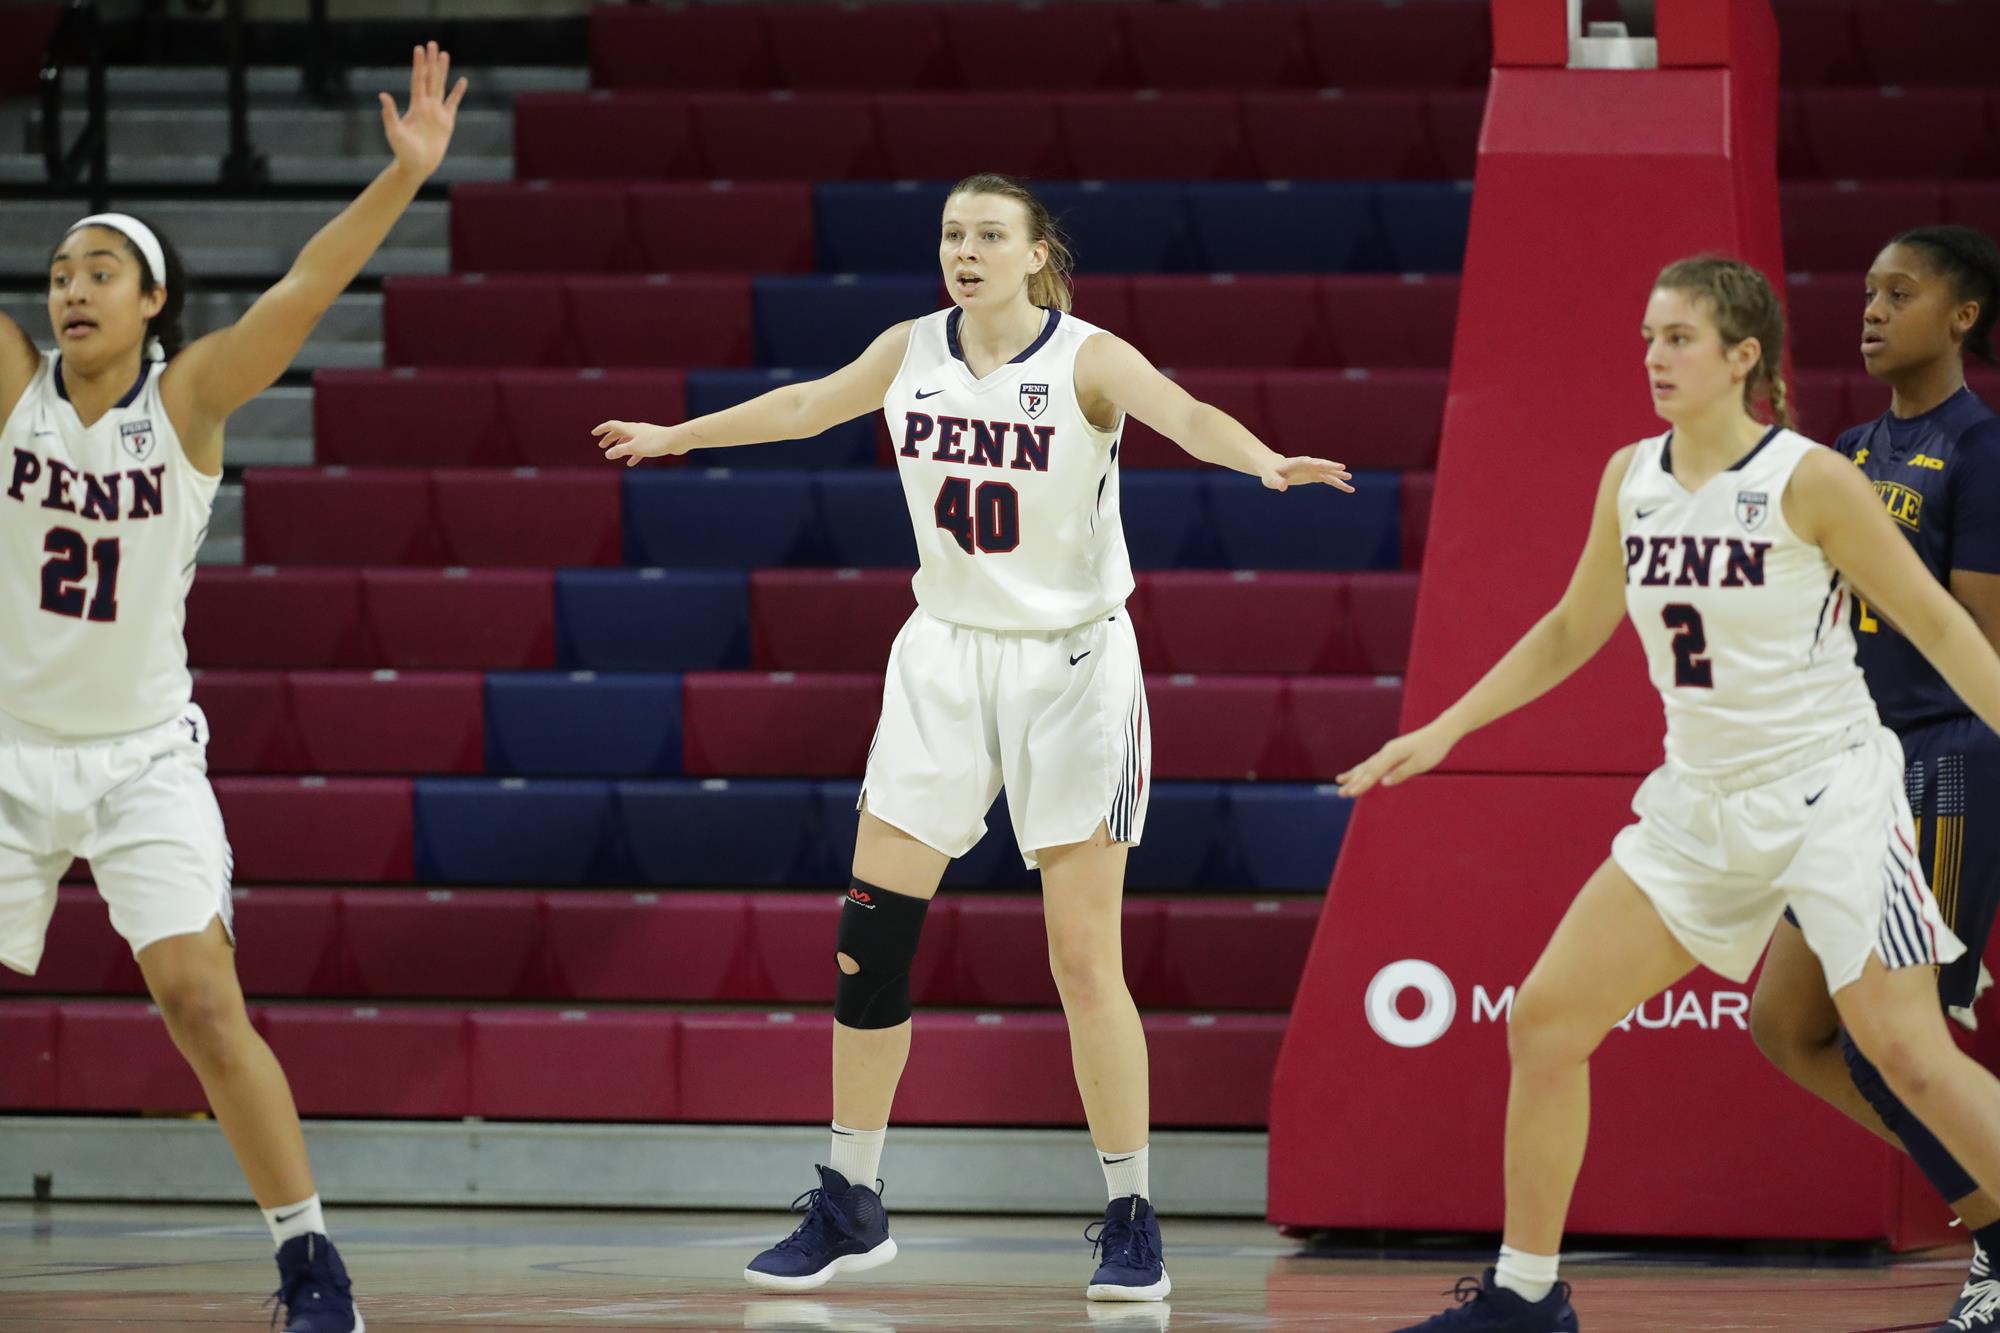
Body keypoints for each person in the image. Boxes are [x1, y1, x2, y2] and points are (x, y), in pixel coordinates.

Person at [594, 171, 1352, 1302]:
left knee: (1081, 958)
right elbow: (804, 404)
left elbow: (1183, 413)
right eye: (952, 233)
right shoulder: (908, 348)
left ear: (1037, 254)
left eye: (990, 233)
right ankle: (851, 1198)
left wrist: (1260, 460)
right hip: (942, 657)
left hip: (1072, 667)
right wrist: (677, 436)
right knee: (868, 939)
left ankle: (1131, 1212)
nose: (966, 249)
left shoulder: (1086, 358)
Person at [1336, 255, 2000, 1332]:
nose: (1653, 355)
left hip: (1829, 796)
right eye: (1646, 336)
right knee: (1546, 1019)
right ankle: (1524, 1297)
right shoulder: (1628, 478)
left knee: (1910, 1057)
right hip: (1698, 803)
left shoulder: (1807, 480)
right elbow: (1568, 629)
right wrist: (1442, 729)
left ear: (1744, 357)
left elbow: (1935, 623)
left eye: (1678, 337)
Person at [0, 44, 467, 1332]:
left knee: (203, 1001)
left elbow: (310, 283)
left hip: (142, 754)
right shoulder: (9, 390)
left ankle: (311, 1264)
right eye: (58, 272)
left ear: (154, 301)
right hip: (6, 746)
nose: (71, 287)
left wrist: (403, 177)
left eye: (101, 270)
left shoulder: (190, 399)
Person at [1747, 224, 2000, 1331]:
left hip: (1942, 762)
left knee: (1893, 1038)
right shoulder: (1843, 449)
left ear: (1961, 318)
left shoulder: (1980, 450)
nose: (1872, 307)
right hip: (1847, 767)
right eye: (1865, 291)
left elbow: (1975, 641)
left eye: (1901, 292)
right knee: (1784, 1023)